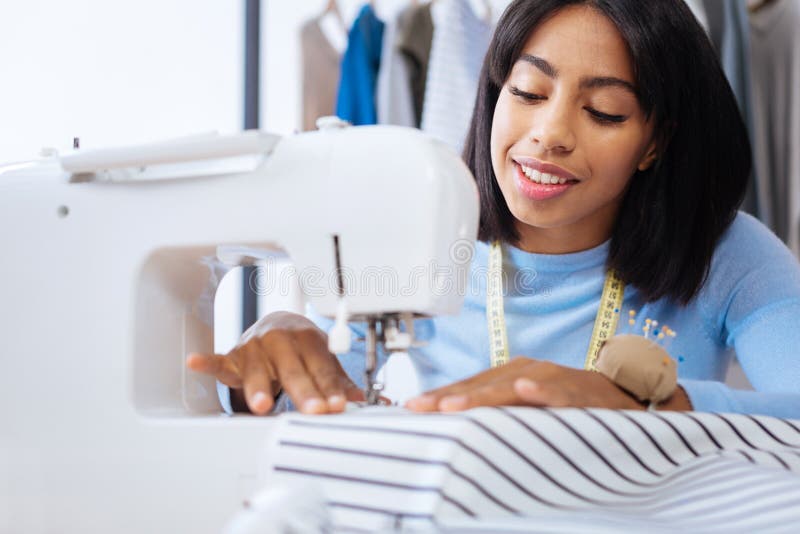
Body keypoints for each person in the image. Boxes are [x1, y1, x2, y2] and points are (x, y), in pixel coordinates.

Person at [187, 0, 800, 419]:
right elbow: (324, 392)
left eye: (605, 111)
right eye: (528, 93)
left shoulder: (727, 254)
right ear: (492, 95)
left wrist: (642, 404)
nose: (549, 133)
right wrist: (274, 348)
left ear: (655, 141)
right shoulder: (425, 240)